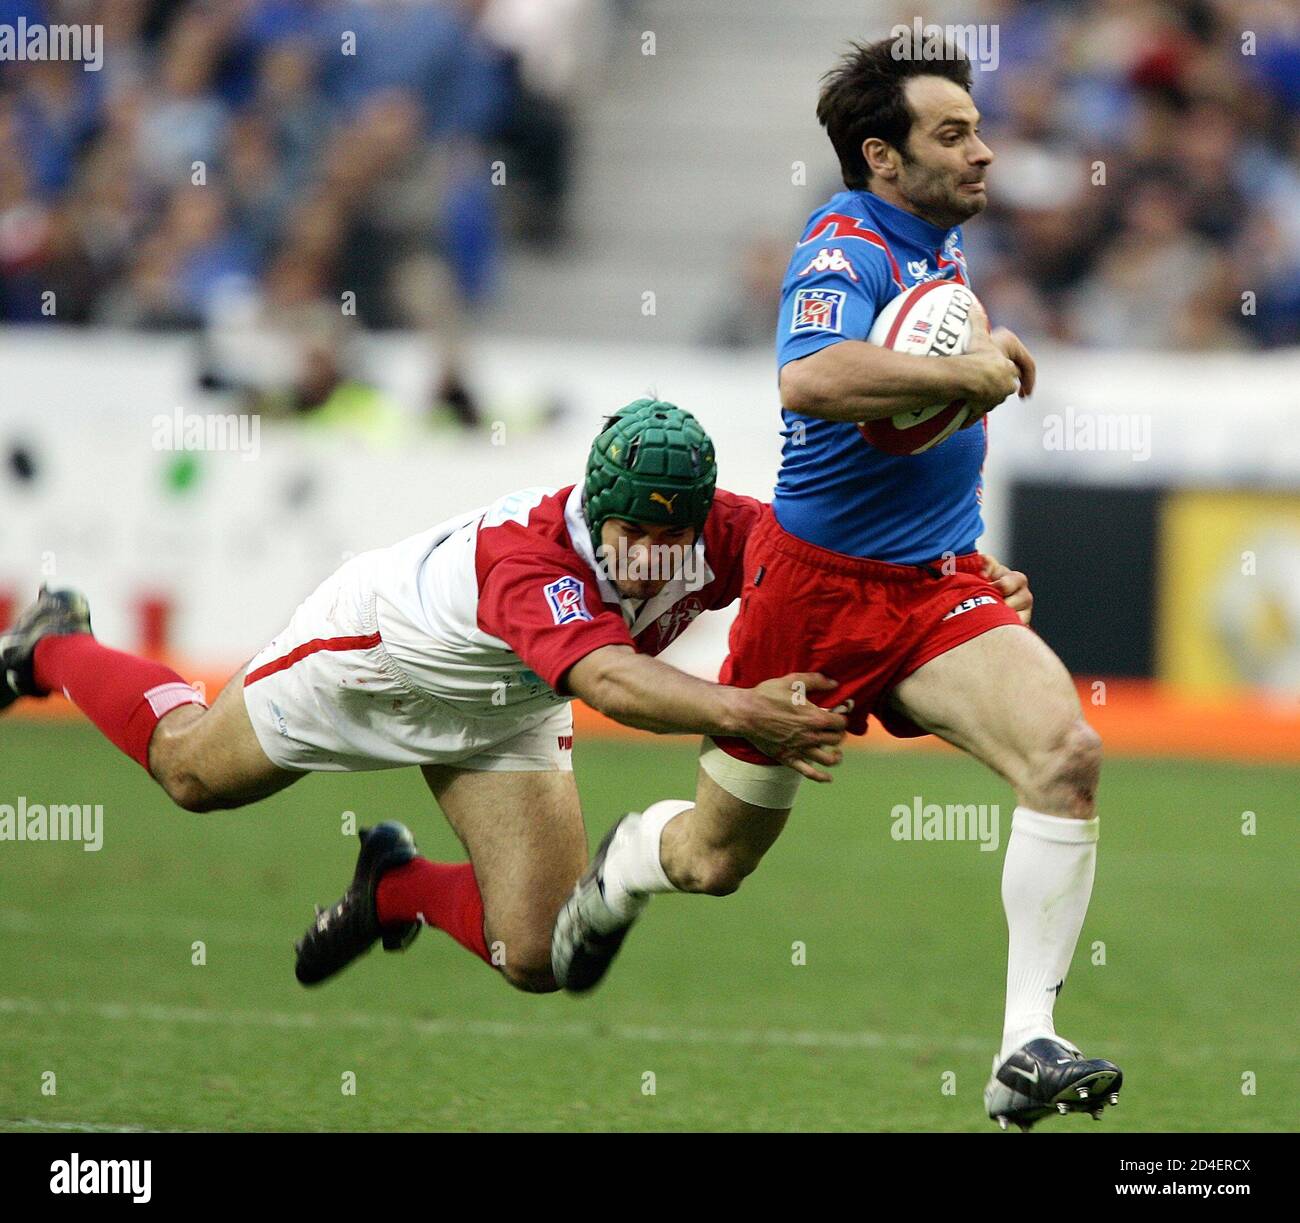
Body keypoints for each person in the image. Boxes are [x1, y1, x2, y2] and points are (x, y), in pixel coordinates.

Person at [546, 40, 1121, 1132]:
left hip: (934, 590)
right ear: (882, 157)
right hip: (809, 599)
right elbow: (810, 378)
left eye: (977, 128)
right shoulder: (842, 242)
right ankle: (626, 859)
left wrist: (968, 401)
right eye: (951, 134)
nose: (983, 151)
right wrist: (968, 370)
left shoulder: (938, 252)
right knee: (714, 860)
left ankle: (1022, 1047)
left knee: (1067, 753)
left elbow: (916, 406)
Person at [0, 400, 846, 995]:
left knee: (536, 955)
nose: (651, 556)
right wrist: (741, 709)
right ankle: (51, 643)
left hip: (504, 708)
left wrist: (962, 578)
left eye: (674, 537)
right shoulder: (532, 558)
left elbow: (838, 567)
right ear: (598, 507)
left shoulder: (728, 531)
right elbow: (608, 682)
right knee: (189, 772)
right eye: (634, 533)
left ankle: (392, 886)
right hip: (374, 658)